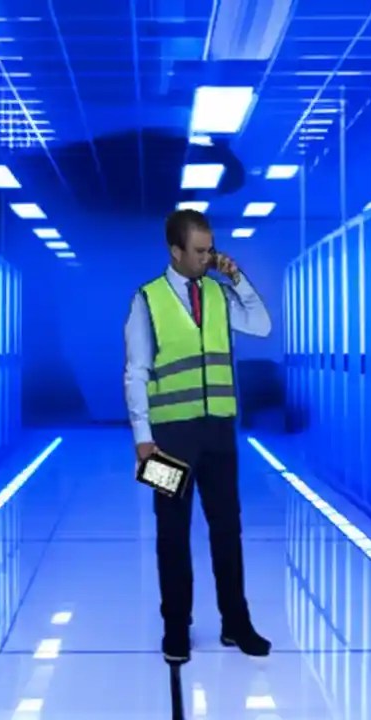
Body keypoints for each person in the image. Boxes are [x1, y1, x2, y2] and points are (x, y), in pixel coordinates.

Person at [123, 208, 273, 665]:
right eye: (201, 250)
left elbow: (262, 325)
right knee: (172, 534)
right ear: (176, 250)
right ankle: (176, 627)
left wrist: (239, 278)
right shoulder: (147, 300)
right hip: (168, 439)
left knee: (227, 530)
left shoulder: (220, 295)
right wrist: (142, 439)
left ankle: (236, 623)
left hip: (218, 435)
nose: (210, 257)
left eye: (212, 249)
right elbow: (136, 373)